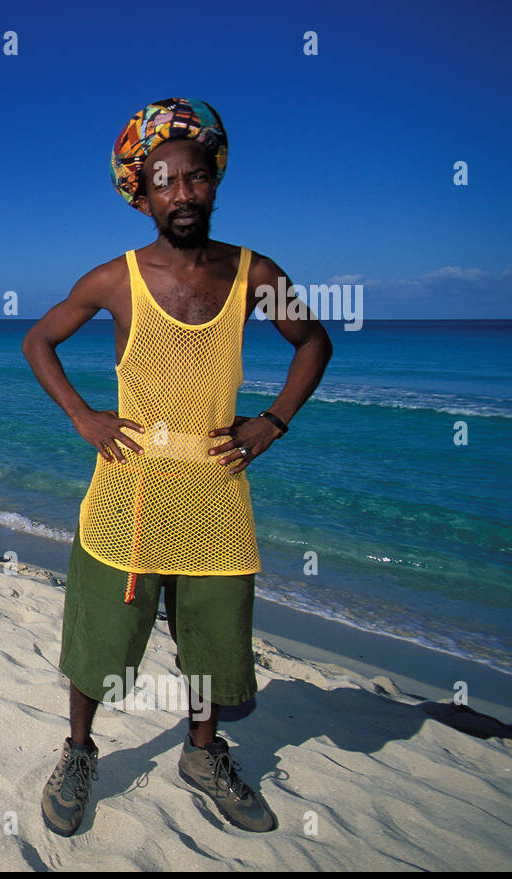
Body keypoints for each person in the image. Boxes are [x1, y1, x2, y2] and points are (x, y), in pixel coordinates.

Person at [22, 98, 333, 836]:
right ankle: (78, 751)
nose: (182, 194)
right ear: (144, 194)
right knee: (101, 638)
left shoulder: (254, 272)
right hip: (126, 493)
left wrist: (272, 421)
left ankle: (202, 753)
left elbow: (313, 340)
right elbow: (40, 340)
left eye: (194, 178)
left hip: (216, 495)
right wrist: (84, 417)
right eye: (164, 182)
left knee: (213, 640)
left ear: (215, 179)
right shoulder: (116, 280)